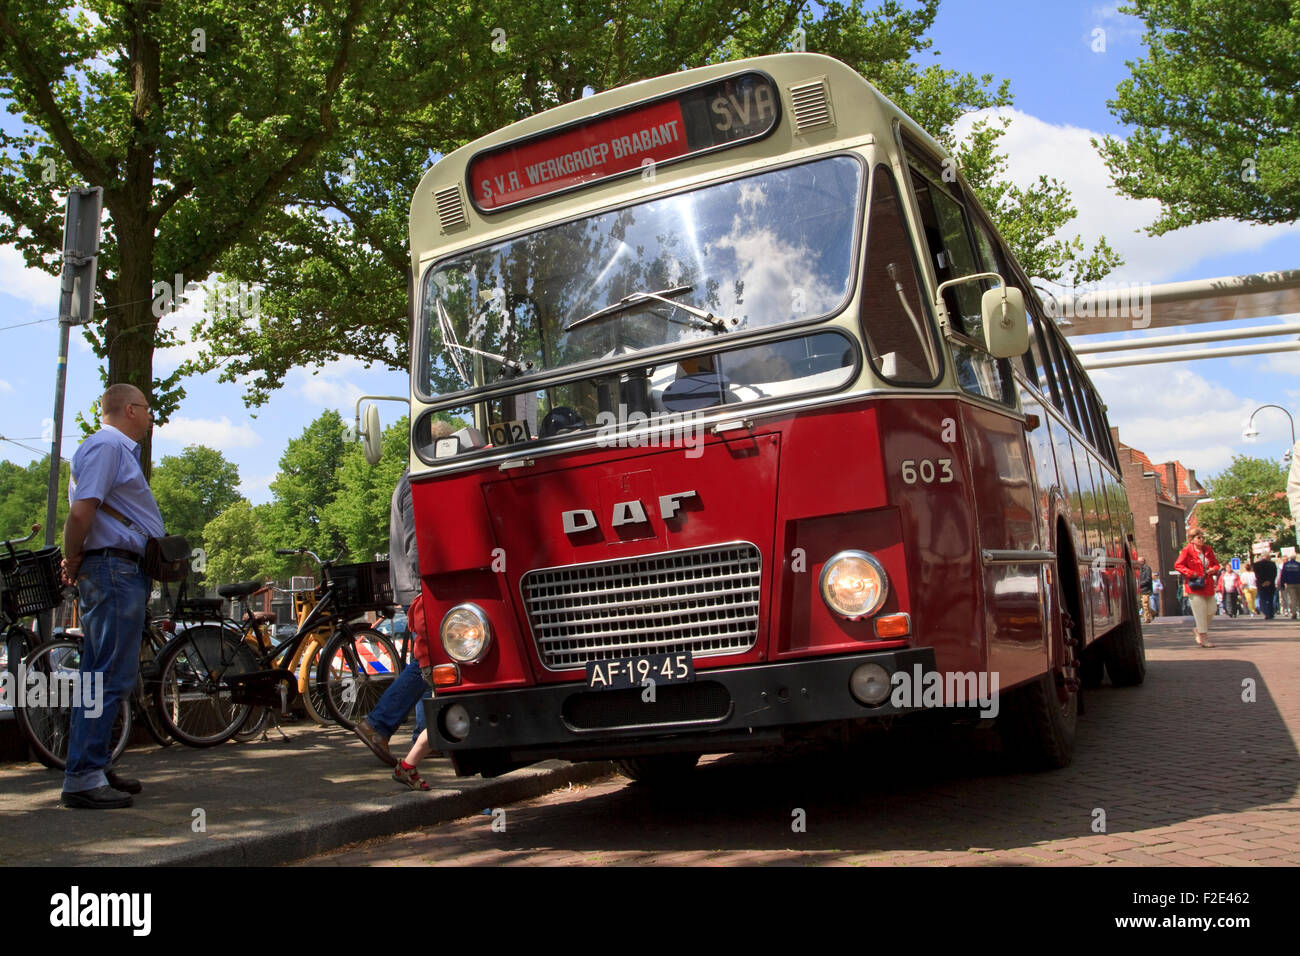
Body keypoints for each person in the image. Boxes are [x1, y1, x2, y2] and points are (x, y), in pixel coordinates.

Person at [58, 384, 162, 809]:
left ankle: (94, 764)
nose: (152, 416)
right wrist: (72, 559)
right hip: (114, 570)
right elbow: (81, 512)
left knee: (107, 673)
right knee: (106, 675)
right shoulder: (108, 446)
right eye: (149, 408)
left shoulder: (111, 449)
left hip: (116, 570)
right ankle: (83, 776)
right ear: (131, 410)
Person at [350, 464, 447, 788]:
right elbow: (416, 536)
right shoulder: (416, 480)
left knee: (425, 656)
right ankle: (378, 724)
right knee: (430, 660)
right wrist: (427, 581)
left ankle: (424, 733)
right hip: (419, 585)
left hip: (411, 584)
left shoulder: (408, 477)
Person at [1174, 529, 1220, 647]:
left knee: (1212, 609)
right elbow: (1178, 565)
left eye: (1202, 537)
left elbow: (1216, 564)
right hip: (1194, 585)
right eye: (1198, 538)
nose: (1201, 540)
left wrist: (1213, 569)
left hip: (1207, 584)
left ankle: (1198, 630)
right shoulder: (1187, 551)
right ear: (1192, 539)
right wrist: (1190, 573)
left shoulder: (1208, 550)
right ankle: (1204, 638)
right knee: (1200, 612)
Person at [1253, 551, 1278, 620]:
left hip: (1261, 584)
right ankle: (1270, 613)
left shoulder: (1256, 564)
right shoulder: (1272, 564)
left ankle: (1266, 613)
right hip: (1270, 584)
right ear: (1268, 557)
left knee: (1263, 599)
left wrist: (1262, 582)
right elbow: (1274, 574)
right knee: (1270, 599)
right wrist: (1269, 581)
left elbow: (1257, 575)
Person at [1281, 553, 1300, 621]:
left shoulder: (1286, 565)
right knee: (1299, 598)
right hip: (1298, 583)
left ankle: (1294, 613)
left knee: (1293, 598)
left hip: (1290, 584)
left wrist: (1282, 583)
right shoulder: (1298, 564)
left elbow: (1283, 574)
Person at [1136, 556, 1154, 623]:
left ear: (1143, 562)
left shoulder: (1147, 568)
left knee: (1145, 604)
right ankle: (1153, 613)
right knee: (1142, 604)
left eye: (1140, 561)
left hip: (1145, 589)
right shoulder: (1137, 569)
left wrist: (1140, 584)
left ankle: (1147, 618)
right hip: (1139, 589)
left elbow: (1148, 579)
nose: (1138, 563)